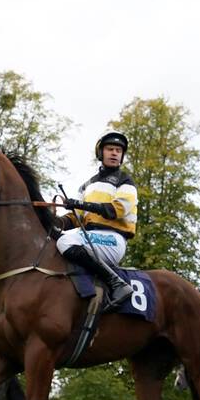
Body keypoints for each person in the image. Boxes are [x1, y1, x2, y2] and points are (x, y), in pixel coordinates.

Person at [57, 131, 137, 308]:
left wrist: (80, 204)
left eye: (118, 150)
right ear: (101, 153)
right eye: (110, 149)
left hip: (113, 240)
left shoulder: (126, 181)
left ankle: (116, 282)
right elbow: (75, 217)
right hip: (89, 237)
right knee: (56, 237)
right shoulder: (87, 185)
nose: (115, 153)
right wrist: (53, 223)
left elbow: (116, 210)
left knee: (65, 242)